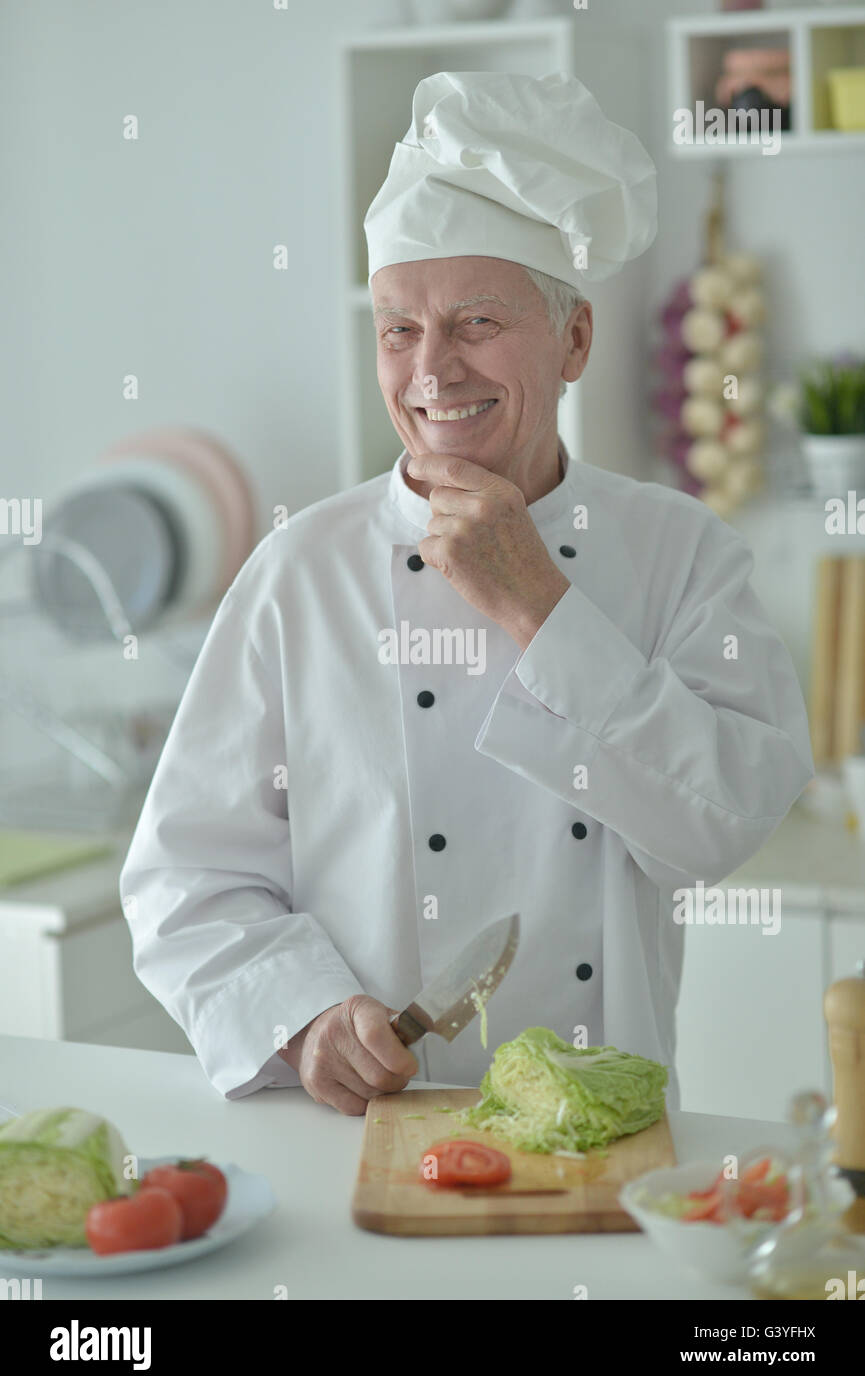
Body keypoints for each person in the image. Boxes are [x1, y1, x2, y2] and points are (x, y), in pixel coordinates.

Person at [119, 71, 814, 1115]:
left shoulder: (680, 551)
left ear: (573, 341)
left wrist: (540, 605)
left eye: (478, 320)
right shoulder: (298, 571)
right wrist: (302, 1015)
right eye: (399, 329)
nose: (432, 370)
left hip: (604, 1142)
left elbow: (724, 821)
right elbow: (184, 880)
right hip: (368, 1143)